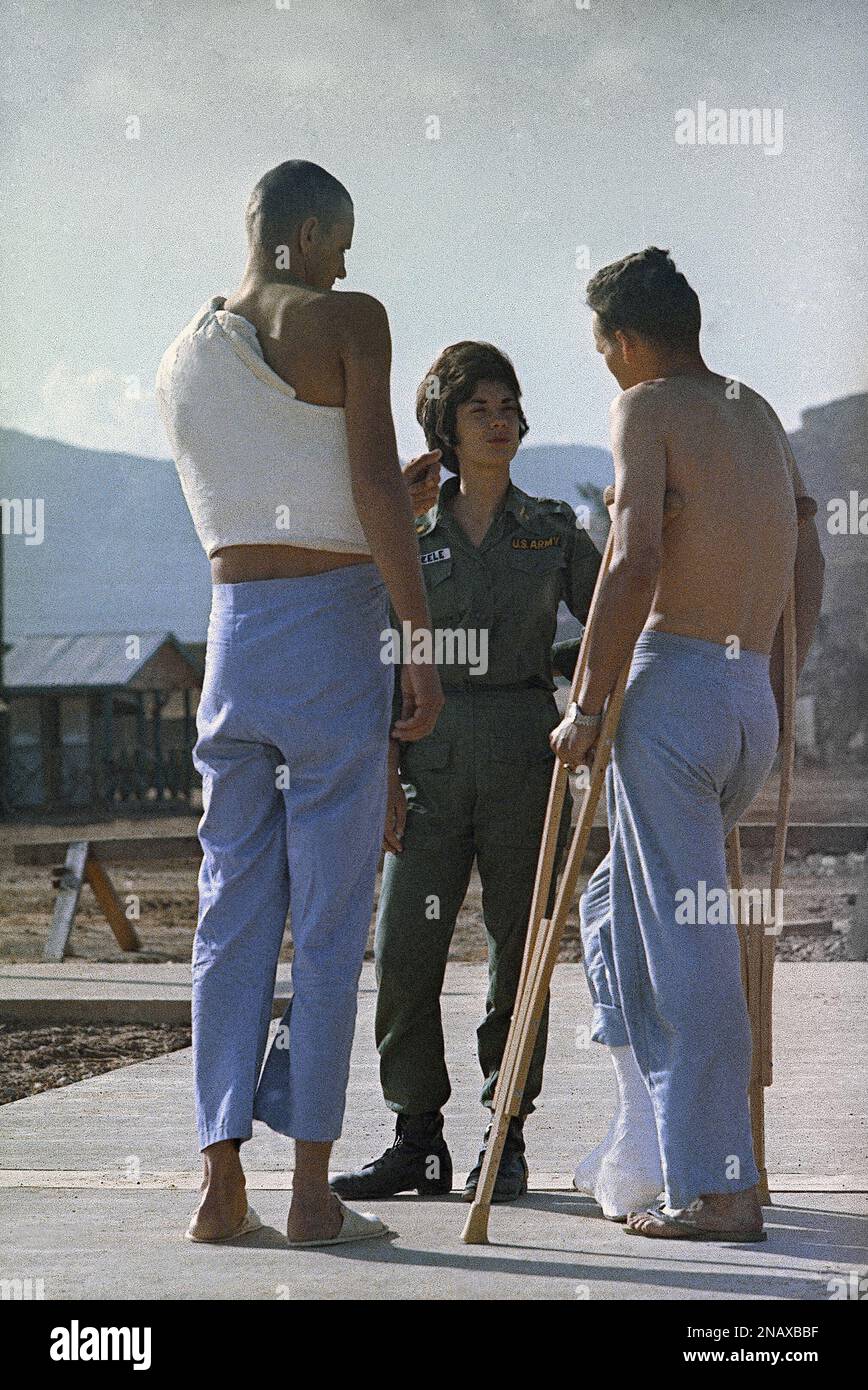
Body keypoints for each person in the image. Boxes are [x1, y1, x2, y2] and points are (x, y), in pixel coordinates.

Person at [155, 160, 443, 1248]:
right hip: (333, 636)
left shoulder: (182, 356)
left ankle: (218, 1183)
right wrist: (419, 642)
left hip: (234, 639)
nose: (348, 264)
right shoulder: (350, 319)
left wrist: (374, 507)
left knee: (230, 915)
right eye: (343, 242)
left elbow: (272, 494)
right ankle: (312, 1192)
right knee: (326, 924)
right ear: (309, 234)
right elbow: (368, 485)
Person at [552, 248, 824, 1240]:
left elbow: (631, 561)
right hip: (745, 692)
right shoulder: (755, 411)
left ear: (626, 340)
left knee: (684, 947)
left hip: (673, 691)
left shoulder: (646, 406)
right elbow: (808, 552)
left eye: (603, 350)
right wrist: (774, 687)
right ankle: (645, 1137)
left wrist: (586, 706)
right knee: (610, 908)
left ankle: (718, 1186)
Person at [329, 341, 602, 1204]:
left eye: (508, 406)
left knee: (519, 956)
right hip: (428, 758)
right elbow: (377, 651)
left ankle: (506, 1131)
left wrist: (582, 703)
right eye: (479, 408)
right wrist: (381, 764)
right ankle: (417, 1138)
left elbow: (611, 623)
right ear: (445, 427)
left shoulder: (551, 528)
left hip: (526, 754)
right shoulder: (408, 532)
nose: (498, 421)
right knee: (407, 950)